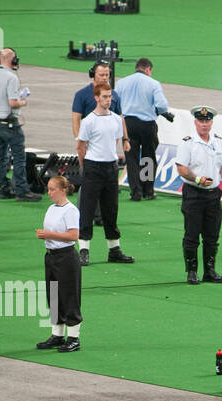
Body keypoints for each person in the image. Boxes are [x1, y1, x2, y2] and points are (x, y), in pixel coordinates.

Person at [76, 85, 134, 267]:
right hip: (93, 167)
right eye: (105, 97)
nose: (108, 100)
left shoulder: (116, 119)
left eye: (110, 97)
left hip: (110, 167)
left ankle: (114, 250)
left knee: (111, 210)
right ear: (96, 98)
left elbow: (115, 141)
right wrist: (85, 167)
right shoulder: (88, 121)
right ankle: (84, 249)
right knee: (87, 209)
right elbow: (81, 146)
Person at [175, 105, 222, 284]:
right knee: (192, 235)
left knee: (212, 236)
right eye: (201, 121)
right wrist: (198, 179)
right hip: (194, 193)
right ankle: (191, 271)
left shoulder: (218, 141)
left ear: (212, 122)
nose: (204, 124)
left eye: (207, 121)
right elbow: (181, 168)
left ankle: (210, 270)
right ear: (195, 122)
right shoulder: (188, 142)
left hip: (213, 194)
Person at [34, 175, 83, 352]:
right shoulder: (51, 208)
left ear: (63, 190)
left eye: (52, 189)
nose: (49, 193)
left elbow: (73, 236)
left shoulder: (70, 210)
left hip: (66, 257)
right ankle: (57, 334)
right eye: (48, 189)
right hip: (52, 256)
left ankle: (74, 337)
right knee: (53, 296)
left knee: (69, 296)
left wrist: (49, 235)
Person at [114, 58, 171, 201]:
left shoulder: (122, 82)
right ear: (148, 69)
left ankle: (135, 192)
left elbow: (114, 102)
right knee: (148, 158)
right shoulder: (153, 84)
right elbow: (162, 105)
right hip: (147, 124)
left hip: (128, 124)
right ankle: (148, 190)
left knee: (131, 159)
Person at [0, 48, 39, 201]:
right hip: (9, 123)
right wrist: (23, 101)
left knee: (0, 156)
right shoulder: (12, 78)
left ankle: (4, 188)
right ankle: (22, 191)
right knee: (19, 157)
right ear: (13, 60)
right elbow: (13, 103)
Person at [70, 62, 121, 139]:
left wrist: (124, 139)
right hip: (89, 139)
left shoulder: (114, 95)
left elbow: (120, 118)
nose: (104, 78)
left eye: (107, 75)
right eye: (101, 75)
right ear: (93, 74)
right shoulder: (81, 94)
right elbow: (76, 118)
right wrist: (78, 139)